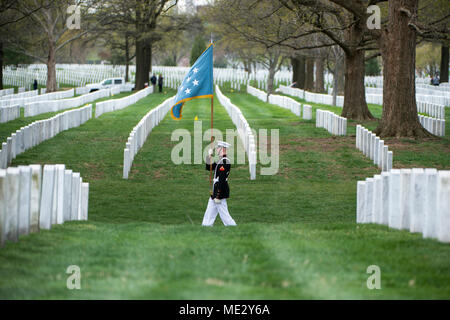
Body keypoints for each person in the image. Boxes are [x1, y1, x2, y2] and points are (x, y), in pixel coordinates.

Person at [202, 141, 237, 227]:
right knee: (209, 213)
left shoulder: (225, 162)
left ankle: (233, 227)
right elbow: (209, 167)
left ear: (223, 149)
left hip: (219, 193)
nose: (217, 149)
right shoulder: (221, 161)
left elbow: (221, 180)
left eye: (218, 148)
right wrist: (209, 156)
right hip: (215, 192)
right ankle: (205, 227)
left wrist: (218, 195)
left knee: (225, 215)